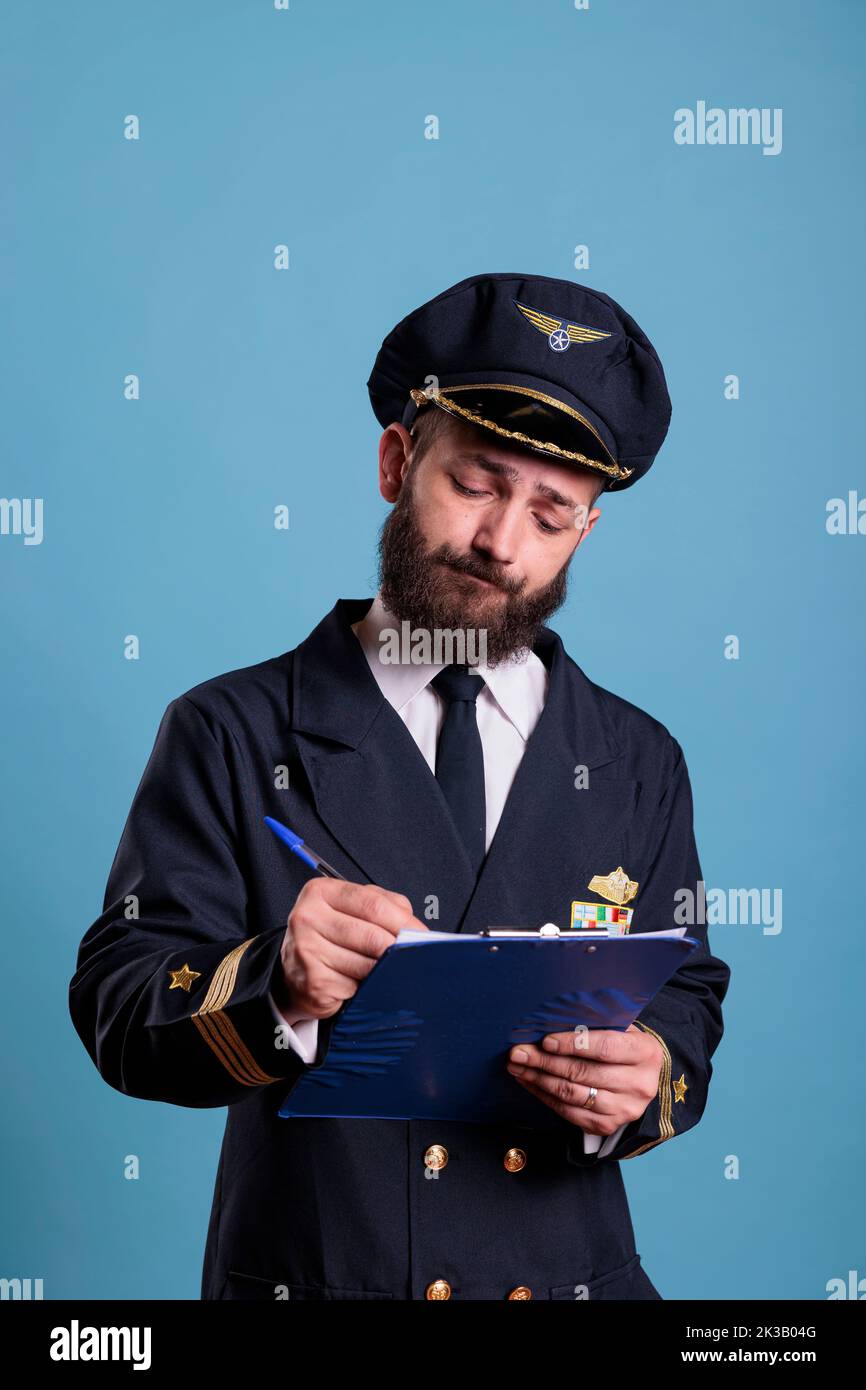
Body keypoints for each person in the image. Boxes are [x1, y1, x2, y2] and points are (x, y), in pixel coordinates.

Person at [69, 272, 730, 1301]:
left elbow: (685, 987)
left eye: (550, 512)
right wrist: (275, 978)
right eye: (474, 482)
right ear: (395, 459)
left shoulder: (640, 757)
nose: (500, 542)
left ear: (585, 533)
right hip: (321, 1275)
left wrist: (647, 1075)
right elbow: (119, 1008)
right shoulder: (228, 728)